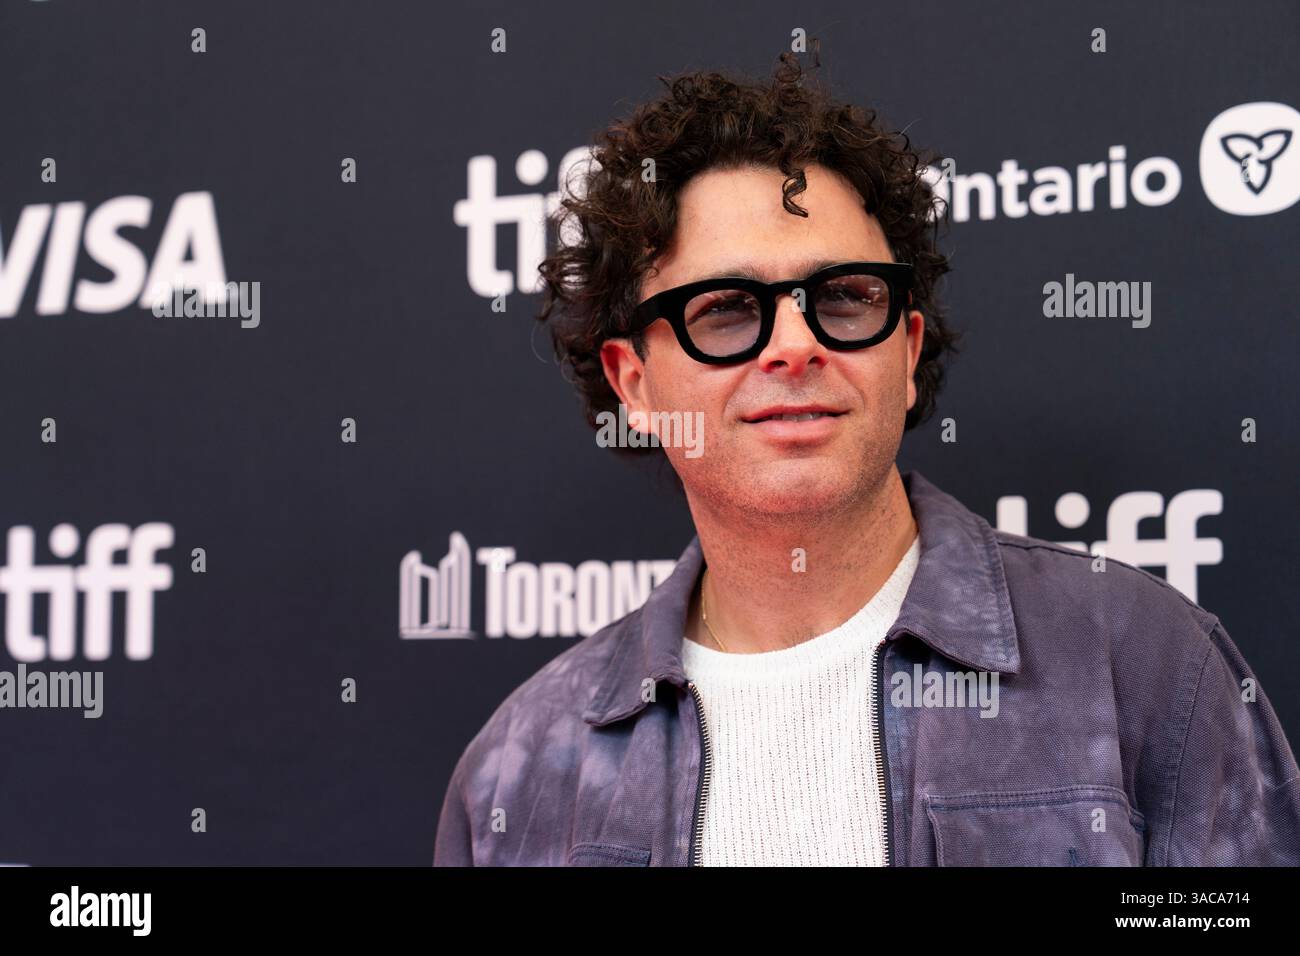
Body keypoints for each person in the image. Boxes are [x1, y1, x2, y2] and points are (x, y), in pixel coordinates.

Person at [434, 54, 1300, 866]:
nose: (795, 345)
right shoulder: (519, 772)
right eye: (727, 310)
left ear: (908, 348)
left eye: (845, 298)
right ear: (635, 382)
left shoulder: (1143, 665)